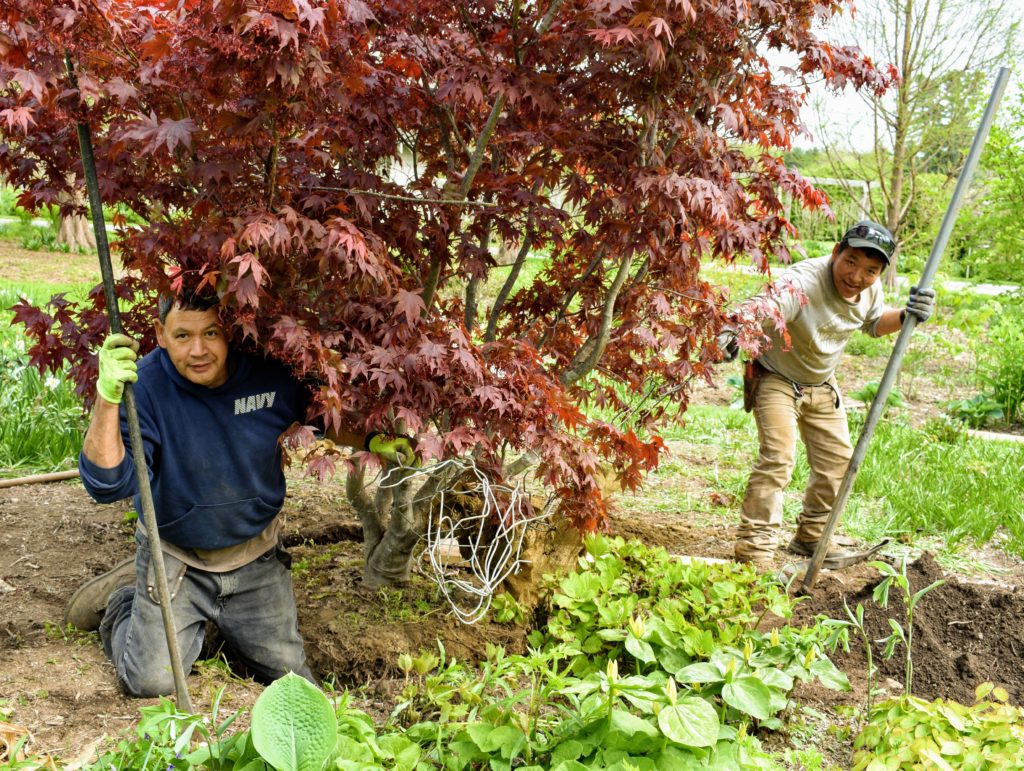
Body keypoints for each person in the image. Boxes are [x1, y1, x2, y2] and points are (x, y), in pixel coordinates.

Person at [65, 290, 415, 697]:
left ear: (230, 331)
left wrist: (371, 439)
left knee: (292, 679)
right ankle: (125, 601)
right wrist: (107, 399)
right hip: (176, 560)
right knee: (150, 681)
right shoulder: (144, 389)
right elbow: (106, 485)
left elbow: (321, 414)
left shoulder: (269, 374)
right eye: (182, 336)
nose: (198, 350)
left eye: (211, 333)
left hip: (255, 560)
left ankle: (218, 627)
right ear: (160, 334)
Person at [720, 221, 935, 568]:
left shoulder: (869, 290)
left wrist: (908, 315)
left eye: (870, 270)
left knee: (838, 462)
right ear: (836, 251)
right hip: (776, 376)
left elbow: (875, 323)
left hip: (821, 383)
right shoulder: (803, 282)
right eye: (850, 262)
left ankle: (812, 537)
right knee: (778, 459)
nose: (856, 276)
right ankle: (754, 552)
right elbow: (766, 305)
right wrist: (734, 329)